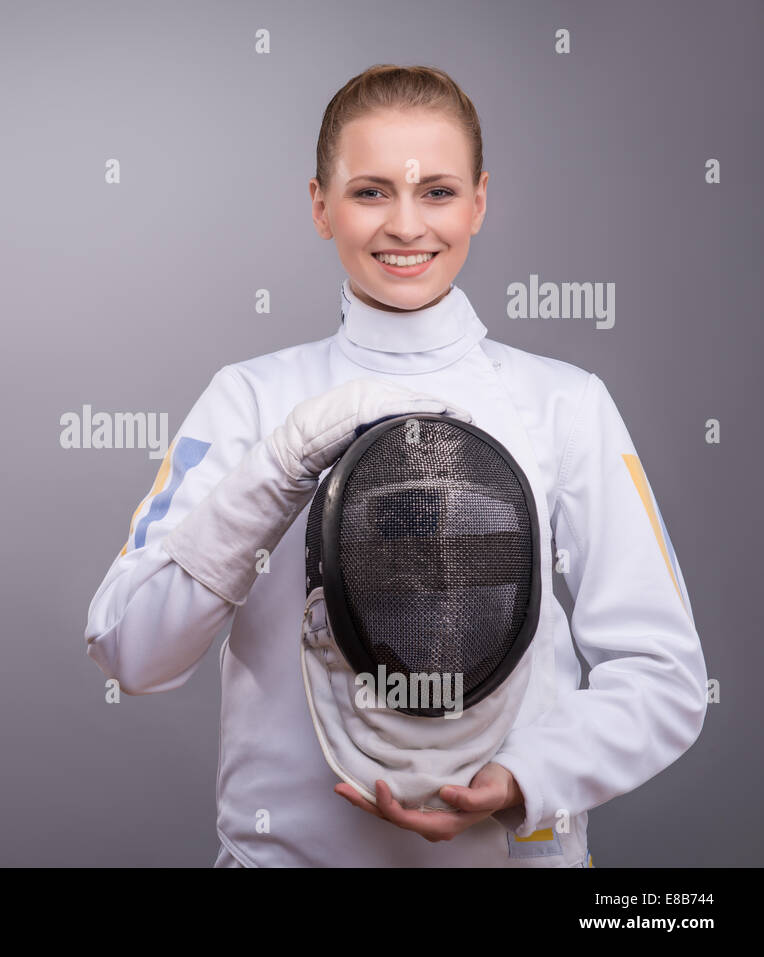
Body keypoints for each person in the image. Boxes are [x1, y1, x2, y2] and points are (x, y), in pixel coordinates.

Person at [82, 64, 708, 867]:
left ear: (480, 202)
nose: (407, 225)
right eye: (371, 191)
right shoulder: (250, 399)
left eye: (438, 192)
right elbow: (133, 651)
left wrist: (525, 777)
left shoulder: (565, 403)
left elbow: (663, 674)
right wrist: (279, 464)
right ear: (320, 205)